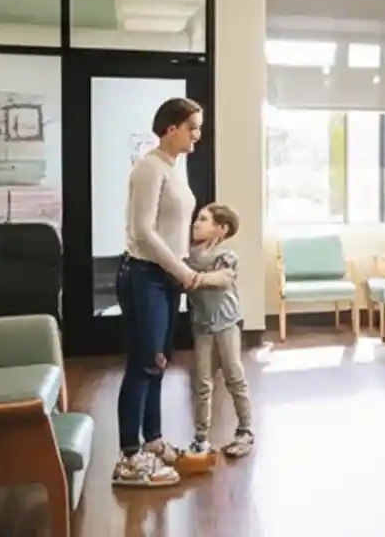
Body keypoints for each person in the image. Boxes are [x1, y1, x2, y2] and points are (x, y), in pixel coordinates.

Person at [112, 97, 203, 488]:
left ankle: (152, 442)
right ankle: (128, 459)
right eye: (192, 128)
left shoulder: (173, 168)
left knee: (159, 362)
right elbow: (144, 232)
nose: (197, 135)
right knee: (143, 364)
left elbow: (172, 227)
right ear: (172, 129)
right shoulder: (150, 168)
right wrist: (183, 270)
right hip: (145, 275)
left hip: (164, 277)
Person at [185, 203, 255, 458]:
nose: (196, 223)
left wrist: (192, 278)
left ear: (221, 229)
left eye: (203, 219)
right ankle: (201, 437)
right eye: (197, 219)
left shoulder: (226, 256)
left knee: (234, 376)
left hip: (226, 324)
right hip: (202, 327)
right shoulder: (189, 256)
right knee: (202, 382)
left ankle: (245, 430)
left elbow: (224, 279)